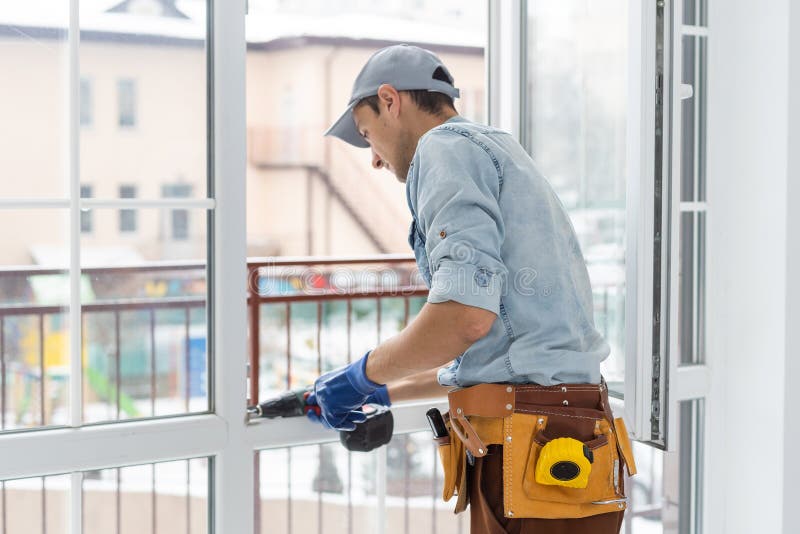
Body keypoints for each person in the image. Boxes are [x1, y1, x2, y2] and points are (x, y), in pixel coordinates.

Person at [306, 44, 633, 533]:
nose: (373, 159)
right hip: (560, 441)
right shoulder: (498, 148)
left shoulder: (443, 151)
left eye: (368, 133)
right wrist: (384, 390)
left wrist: (361, 374)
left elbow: (464, 318)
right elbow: (501, 349)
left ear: (391, 100)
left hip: (528, 448)